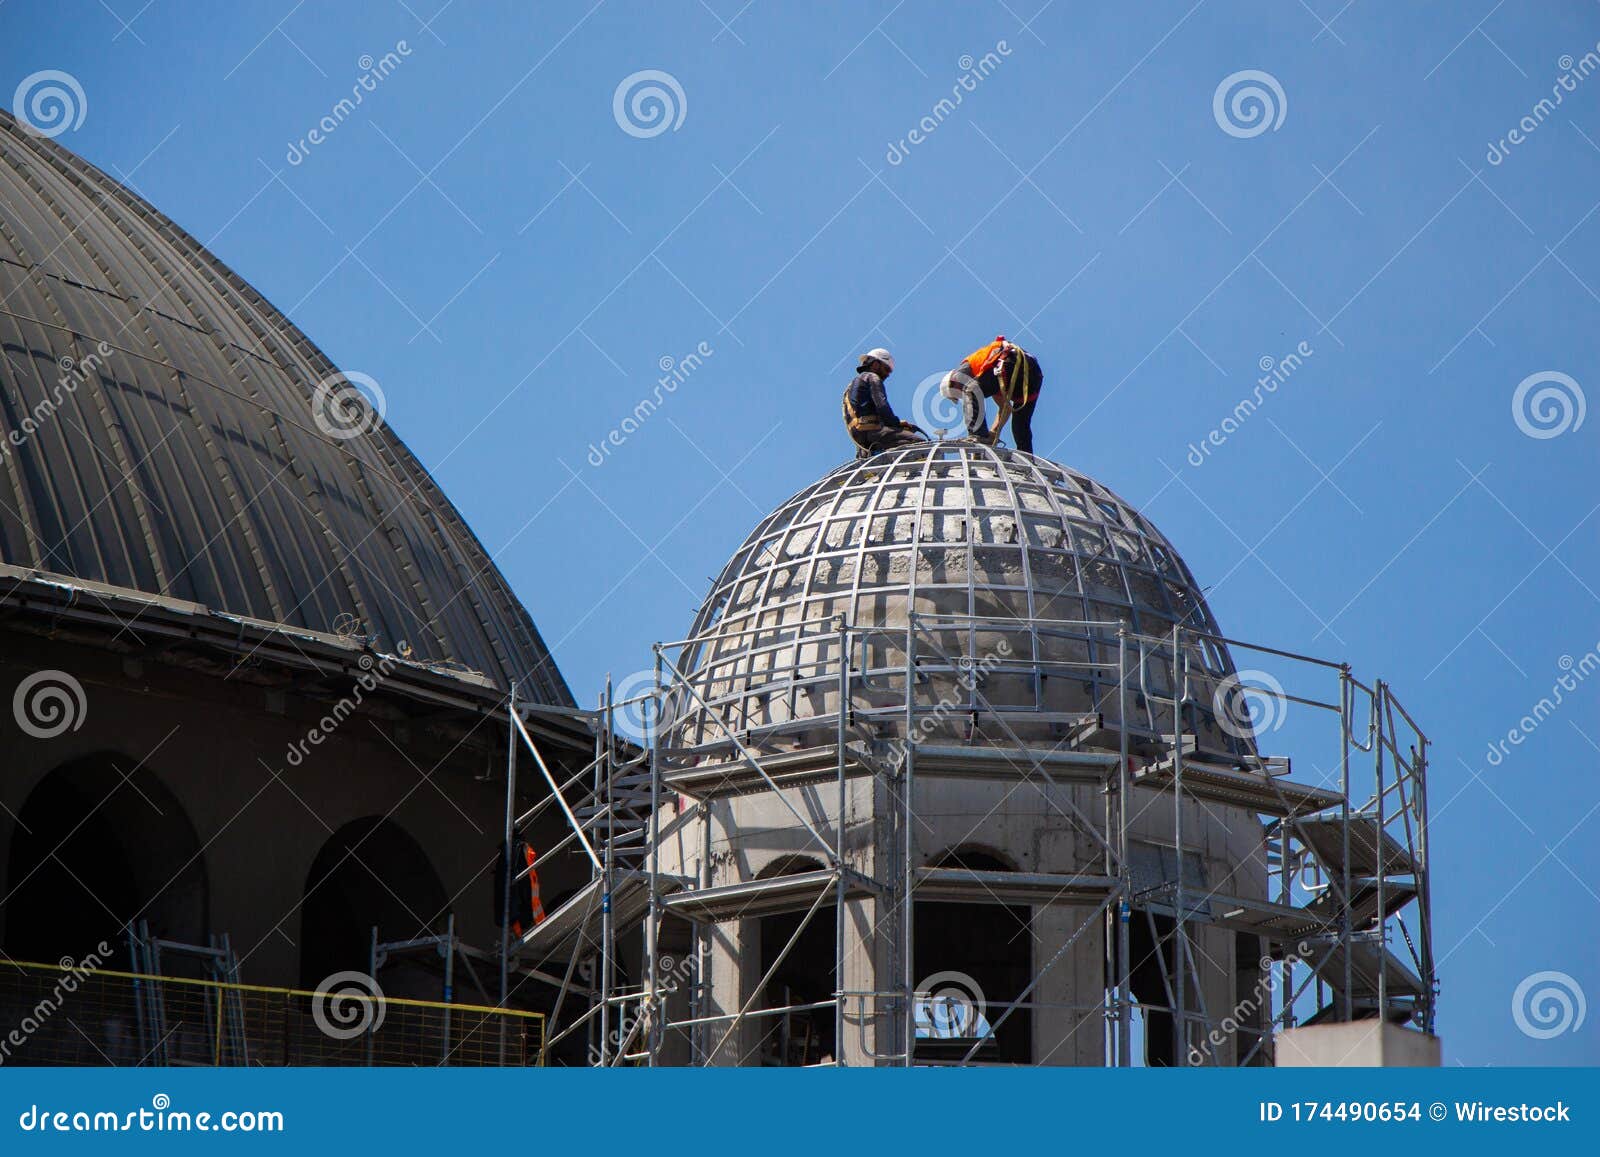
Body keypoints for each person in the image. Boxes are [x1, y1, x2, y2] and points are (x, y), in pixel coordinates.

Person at [942, 336, 1044, 454]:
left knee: (970, 390)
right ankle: (1027, 458)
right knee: (1020, 426)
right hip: (1032, 377)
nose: (960, 396)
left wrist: (982, 436)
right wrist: (993, 432)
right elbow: (1005, 408)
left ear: (953, 383)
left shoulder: (963, 371)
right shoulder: (992, 380)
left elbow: (971, 390)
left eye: (956, 394)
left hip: (1011, 361)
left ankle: (977, 435)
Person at [843, 348, 925, 457]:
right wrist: (896, 424)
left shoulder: (852, 385)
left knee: (877, 455)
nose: (888, 375)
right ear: (876, 364)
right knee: (920, 444)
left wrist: (898, 424)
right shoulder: (872, 377)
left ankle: (872, 466)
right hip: (873, 432)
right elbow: (882, 406)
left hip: (860, 438)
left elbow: (865, 413)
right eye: (886, 369)